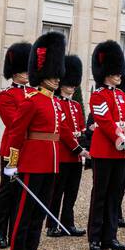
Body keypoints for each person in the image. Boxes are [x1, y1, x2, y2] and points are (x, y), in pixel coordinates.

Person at [2, 31, 74, 250]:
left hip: (51, 162)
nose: (56, 79)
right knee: (24, 212)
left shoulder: (54, 102)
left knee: (39, 213)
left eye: (57, 75)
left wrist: (79, 149)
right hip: (32, 162)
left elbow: (61, 131)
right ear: (42, 75)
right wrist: (12, 163)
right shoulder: (31, 100)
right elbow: (15, 133)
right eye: (52, 75)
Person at [87, 40, 125, 250]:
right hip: (105, 151)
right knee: (100, 194)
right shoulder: (97, 95)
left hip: (120, 154)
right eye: (115, 72)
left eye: (119, 72)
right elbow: (106, 123)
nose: (120, 75)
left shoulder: (120, 95)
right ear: (105, 72)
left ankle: (111, 236)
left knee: (115, 195)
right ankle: (95, 237)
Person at [0, 41, 32, 250]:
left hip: (30, 150)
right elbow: (14, 123)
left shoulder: (33, 94)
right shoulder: (6, 95)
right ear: (13, 71)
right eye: (21, 70)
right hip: (13, 150)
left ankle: (16, 231)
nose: (25, 73)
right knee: (7, 191)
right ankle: (1, 233)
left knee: (22, 192)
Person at [47, 54, 88, 238]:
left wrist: (84, 147)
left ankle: (67, 222)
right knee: (57, 191)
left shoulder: (76, 106)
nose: (72, 87)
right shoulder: (55, 103)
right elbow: (63, 130)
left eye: (74, 84)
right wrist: (77, 147)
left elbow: (81, 128)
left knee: (72, 191)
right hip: (63, 153)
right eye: (69, 83)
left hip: (76, 155)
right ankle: (52, 224)